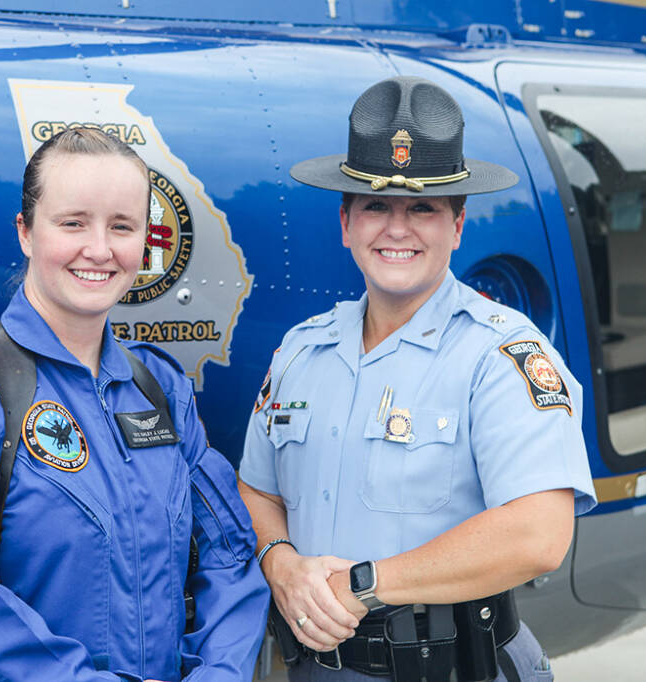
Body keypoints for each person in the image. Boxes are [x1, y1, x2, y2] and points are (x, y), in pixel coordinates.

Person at [0, 128, 269, 682]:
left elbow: (229, 553)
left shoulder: (160, 389)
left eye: (122, 227)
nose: (100, 250)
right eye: (74, 223)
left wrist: (219, 675)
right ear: (26, 232)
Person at [238, 76, 597, 681]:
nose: (397, 230)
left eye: (423, 208)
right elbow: (257, 491)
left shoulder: (501, 354)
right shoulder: (301, 351)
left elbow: (539, 535)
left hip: (455, 667)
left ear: (456, 226)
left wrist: (365, 588)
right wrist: (281, 563)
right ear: (347, 222)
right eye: (376, 205)